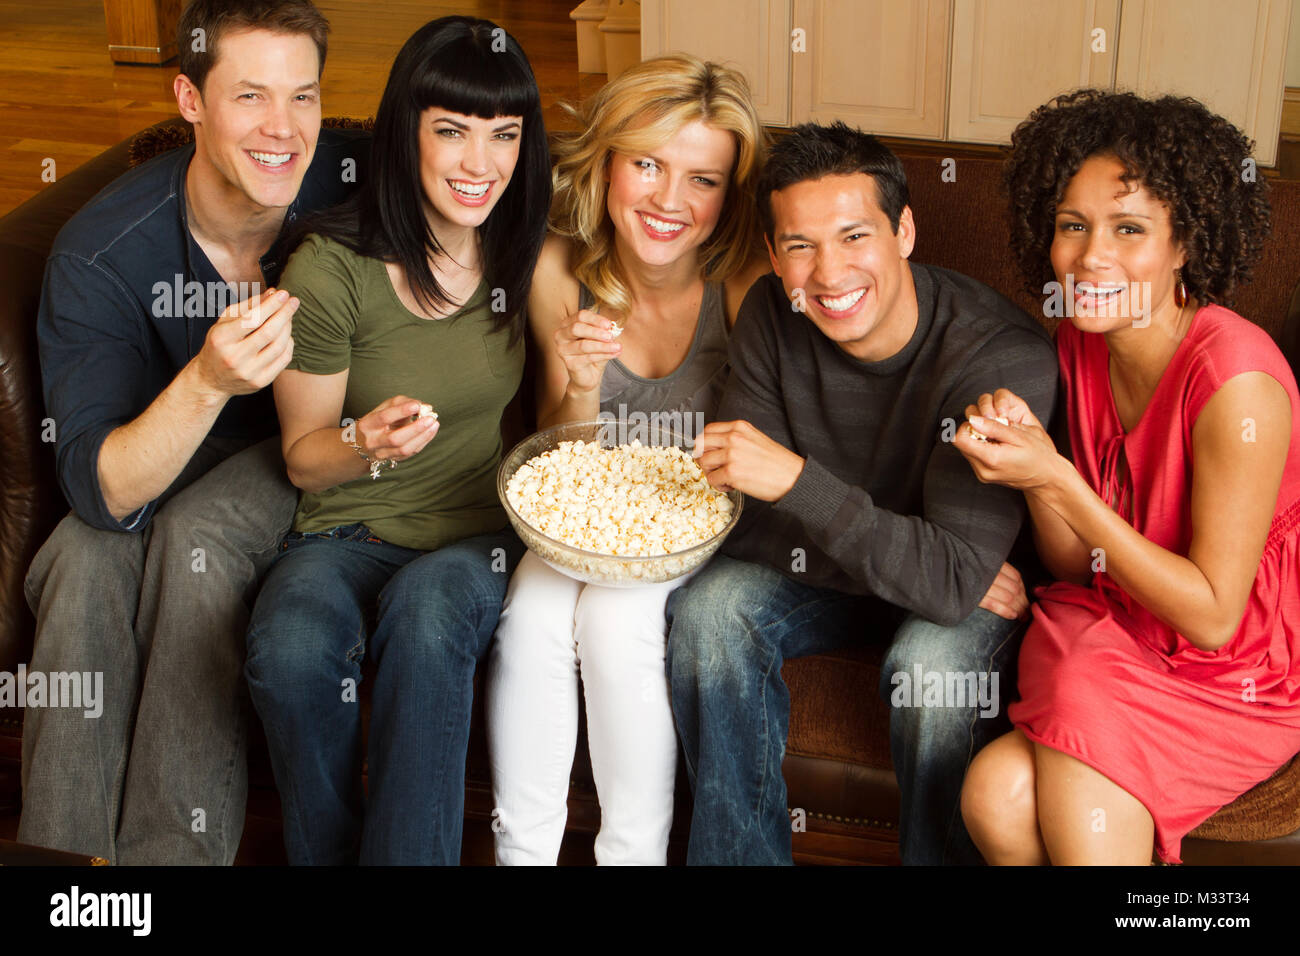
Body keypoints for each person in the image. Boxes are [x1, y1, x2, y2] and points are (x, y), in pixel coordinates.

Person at [19, 0, 367, 865]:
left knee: (193, 542)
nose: (283, 130)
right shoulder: (100, 256)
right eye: (250, 97)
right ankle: (68, 878)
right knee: (79, 557)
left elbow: (474, 148)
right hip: (166, 446)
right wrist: (209, 379)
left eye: (303, 97)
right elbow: (101, 489)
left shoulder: (349, 175)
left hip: (304, 446)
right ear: (189, 99)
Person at [665, 121, 1059, 865]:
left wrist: (796, 482)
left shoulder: (1000, 355)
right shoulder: (770, 320)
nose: (829, 274)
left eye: (853, 237)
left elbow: (944, 584)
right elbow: (742, 523)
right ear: (775, 255)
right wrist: (927, 568)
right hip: (858, 575)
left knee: (933, 673)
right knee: (708, 611)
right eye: (799, 246)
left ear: (904, 230)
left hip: (954, 600)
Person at [956, 89, 1300, 866]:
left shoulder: (1236, 382)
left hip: (1228, 669)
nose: (1090, 257)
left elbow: (1213, 617)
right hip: (1116, 626)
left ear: (1185, 244)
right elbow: (1082, 566)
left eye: (1130, 229)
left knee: (1075, 689)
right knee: (994, 799)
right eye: (1073, 225)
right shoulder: (1083, 340)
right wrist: (1037, 471)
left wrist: (1062, 482)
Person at [242, 15, 550, 866]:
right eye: (451, 132)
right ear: (405, 132)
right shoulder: (330, 266)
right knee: (290, 650)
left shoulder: (525, 251)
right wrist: (367, 443)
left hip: (474, 539)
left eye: (503, 135)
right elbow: (304, 455)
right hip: (343, 532)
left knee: (427, 619)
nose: (478, 165)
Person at [486, 54, 768, 866]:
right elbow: (557, 455)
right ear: (607, 162)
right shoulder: (555, 271)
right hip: (588, 514)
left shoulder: (745, 286)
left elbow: (760, 457)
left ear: (729, 193)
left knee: (617, 620)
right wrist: (578, 382)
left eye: (702, 180)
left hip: (697, 522)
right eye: (646, 164)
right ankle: (523, 857)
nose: (669, 202)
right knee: (533, 613)